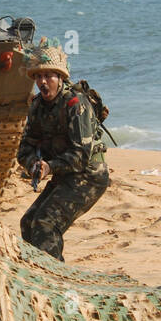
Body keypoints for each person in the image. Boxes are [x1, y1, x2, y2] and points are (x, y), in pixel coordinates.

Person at [15, 39, 109, 260]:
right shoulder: (37, 106)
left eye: (49, 76)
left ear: (60, 78)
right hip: (65, 173)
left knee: (46, 223)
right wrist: (34, 165)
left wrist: (50, 166)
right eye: (38, 76)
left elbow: (81, 156)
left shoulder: (76, 104)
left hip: (89, 175)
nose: (43, 82)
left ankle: (55, 278)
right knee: (28, 222)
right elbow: (24, 149)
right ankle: (40, 272)